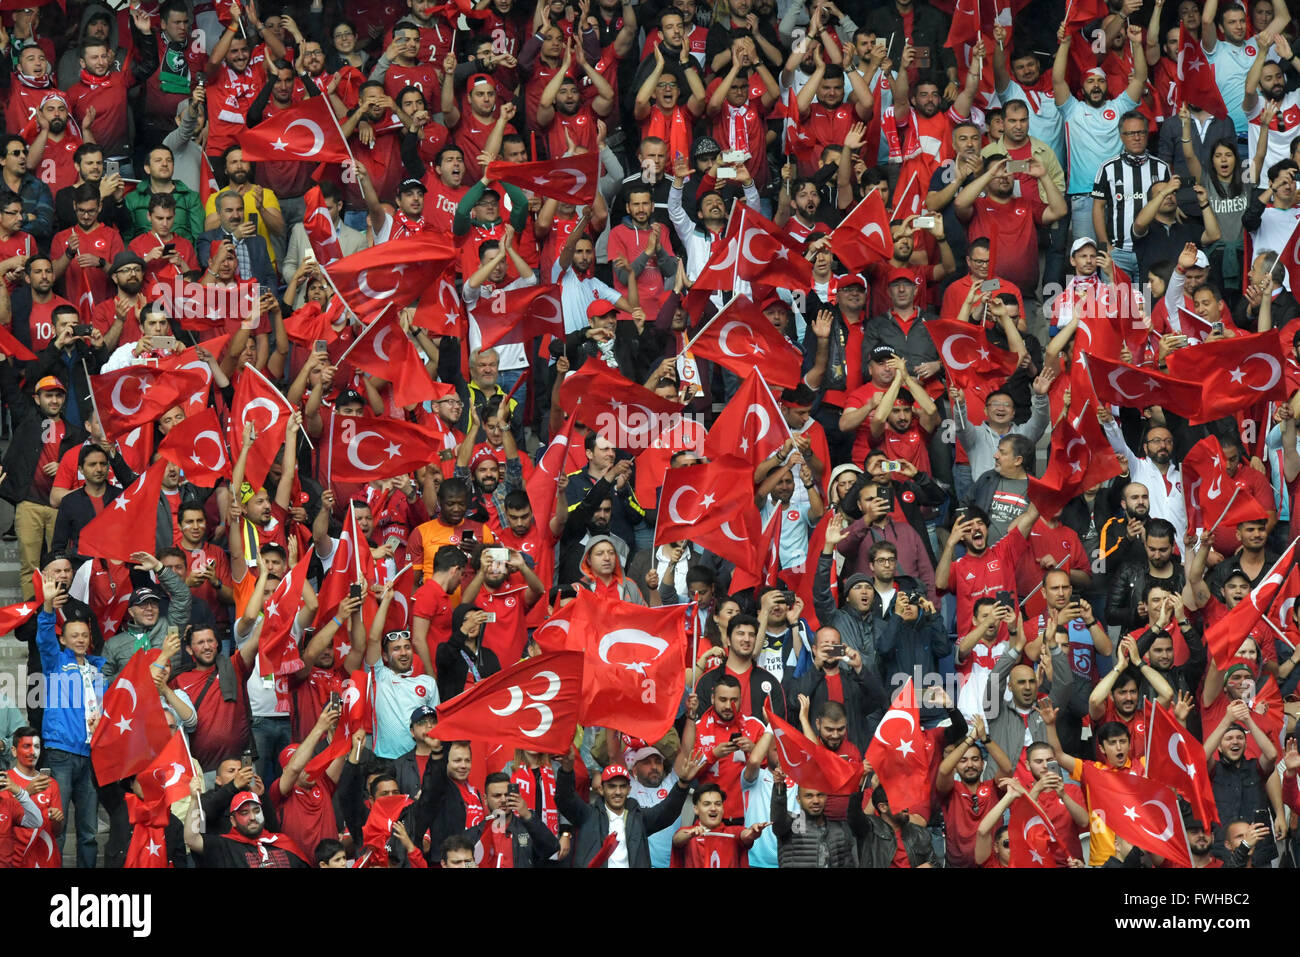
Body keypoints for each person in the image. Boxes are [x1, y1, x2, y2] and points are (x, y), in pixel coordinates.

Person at [34, 570, 104, 869]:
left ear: (90, 639)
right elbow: (43, 639)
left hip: (92, 756)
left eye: (84, 635)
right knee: (58, 828)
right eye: (73, 635)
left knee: (88, 831)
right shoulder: (55, 664)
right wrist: (48, 606)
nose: (79, 639)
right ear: (63, 639)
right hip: (61, 754)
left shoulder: (100, 670)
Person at [554, 747, 703, 868]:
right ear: (602, 789)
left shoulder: (638, 817)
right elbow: (565, 799)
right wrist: (566, 771)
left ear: (629, 790)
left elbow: (667, 811)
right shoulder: (588, 815)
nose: (618, 792)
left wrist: (683, 783)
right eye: (612, 787)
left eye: (622, 787)